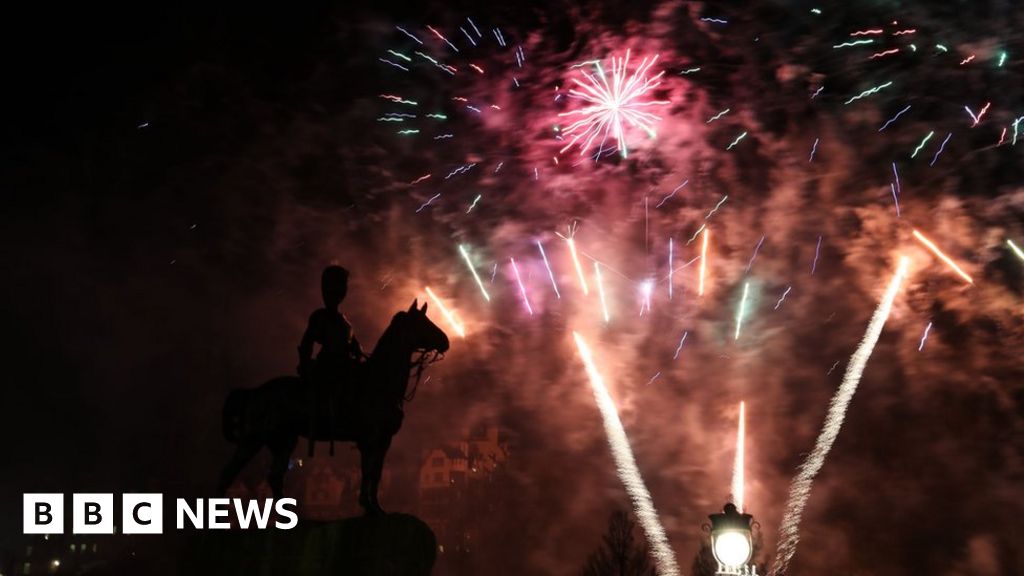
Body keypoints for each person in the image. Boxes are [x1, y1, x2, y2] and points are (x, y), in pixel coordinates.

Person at [298, 265, 364, 455]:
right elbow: (307, 342)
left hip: (345, 365)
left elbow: (354, 346)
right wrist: (305, 365)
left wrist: (358, 352)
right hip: (329, 365)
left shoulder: (345, 321)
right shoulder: (321, 317)